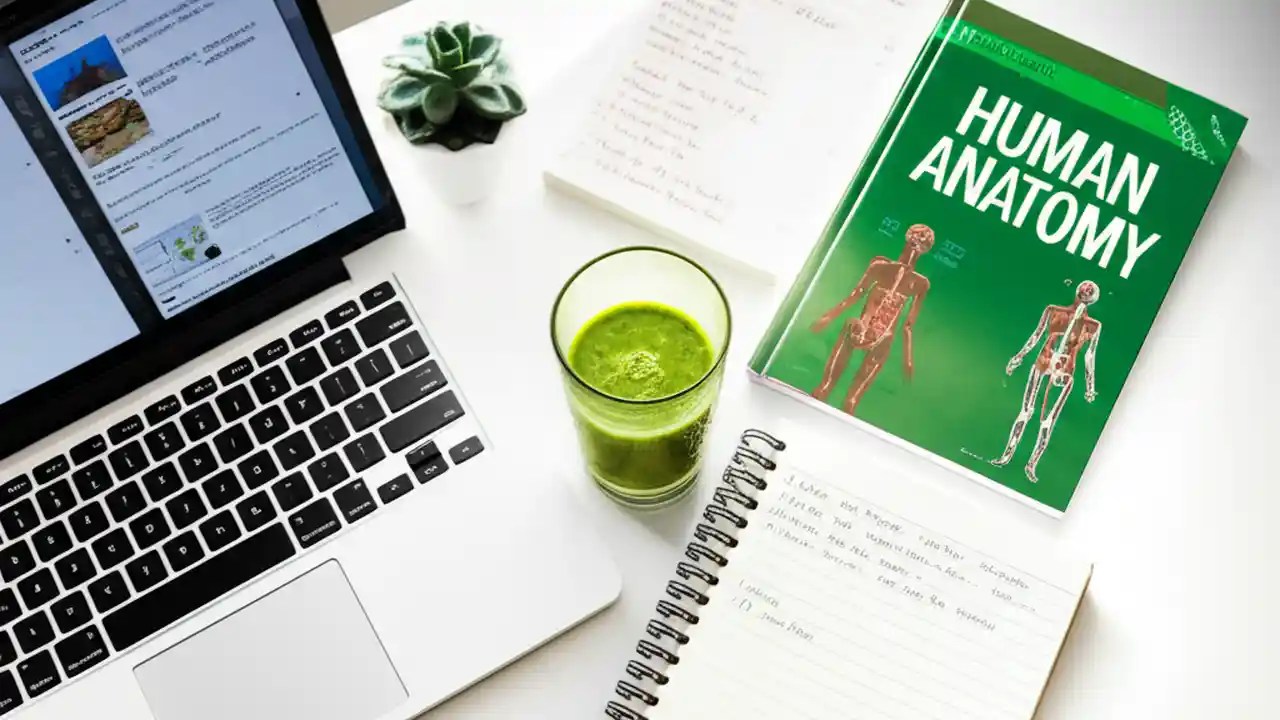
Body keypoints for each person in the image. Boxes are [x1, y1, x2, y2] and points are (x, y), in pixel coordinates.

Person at [810, 223, 933, 415]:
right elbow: (856, 294)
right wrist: (828, 317)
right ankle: (827, 387)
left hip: (881, 337)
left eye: (920, 245)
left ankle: (850, 399)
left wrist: (908, 359)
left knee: (882, 341)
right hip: (863, 328)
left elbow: (908, 325)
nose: (915, 248)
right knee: (853, 326)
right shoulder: (881, 267)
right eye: (915, 242)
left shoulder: (920, 283)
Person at [992, 280, 1102, 483]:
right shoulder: (1053, 310)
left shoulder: (1093, 326)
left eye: (1090, 290)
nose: (1086, 291)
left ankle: (1031, 464)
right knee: (1026, 412)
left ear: (1093, 297)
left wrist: (1090, 386)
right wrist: (1019, 357)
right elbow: (1037, 335)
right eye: (1085, 288)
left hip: (1064, 372)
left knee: (1047, 420)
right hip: (1043, 362)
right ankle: (1007, 455)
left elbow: (1089, 356)